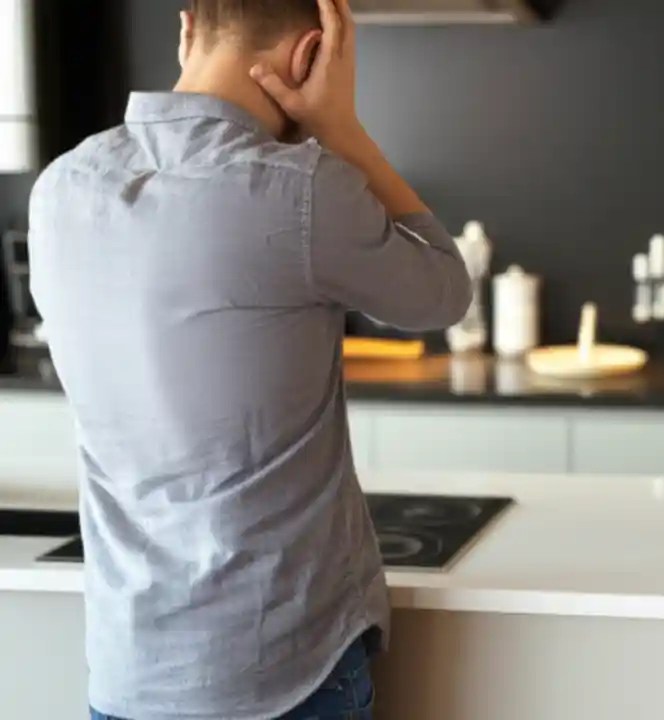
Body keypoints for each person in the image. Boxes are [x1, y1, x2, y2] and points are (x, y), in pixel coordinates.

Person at [27, 0, 471, 717]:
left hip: (128, 671)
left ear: (185, 31)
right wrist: (344, 130)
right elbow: (444, 291)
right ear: (308, 60)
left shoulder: (60, 189)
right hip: (279, 674)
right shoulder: (301, 190)